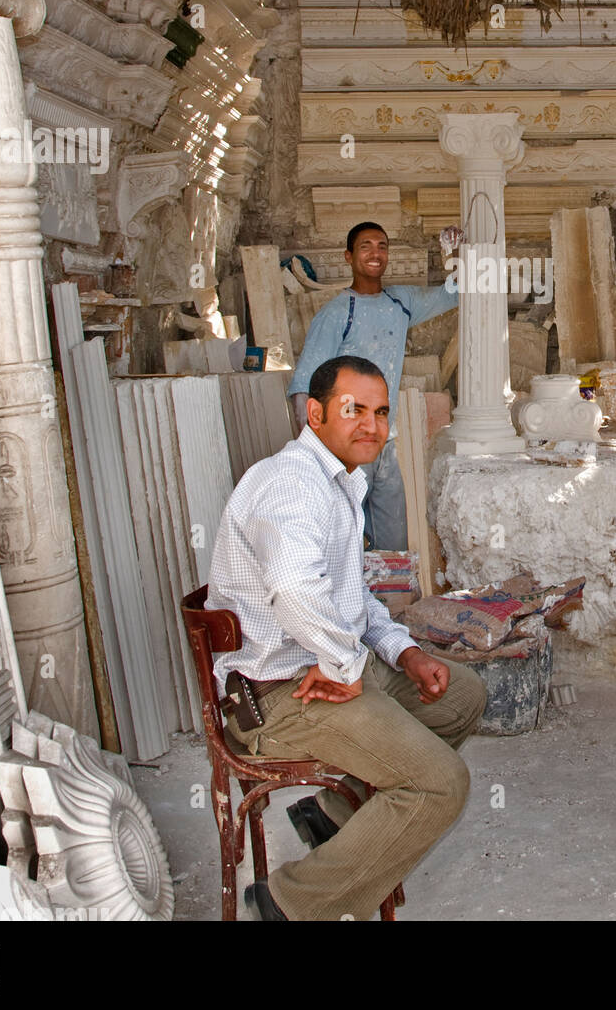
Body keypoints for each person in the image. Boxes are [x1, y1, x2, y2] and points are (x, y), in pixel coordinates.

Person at [208, 354, 486, 922]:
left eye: (381, 412)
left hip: (323, 672)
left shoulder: (338, 482)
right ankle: (288, 903)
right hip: (276, 696)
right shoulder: (290, 483)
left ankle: (333, 816)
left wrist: (402, 652)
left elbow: (352, 595)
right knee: (440, 785)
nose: (373, 426)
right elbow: (292, 587)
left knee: (462, 696)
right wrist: (343, 664)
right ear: (315, 414)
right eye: (353, 410)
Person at [289, 222, 458, 550]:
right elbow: (304, 386)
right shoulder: (338, 312)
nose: (375, 253)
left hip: (385, 444)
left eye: (382, 246)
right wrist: (310, 452)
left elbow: (456, 291)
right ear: (348, 256)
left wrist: (454, 252)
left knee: (393, 542)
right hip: (344, 447)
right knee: (343, 542)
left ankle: (392, 602)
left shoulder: (400, 301)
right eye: (365, 246)